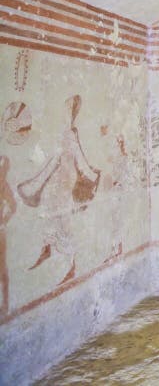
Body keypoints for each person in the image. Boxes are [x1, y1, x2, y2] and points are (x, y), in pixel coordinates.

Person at [18, 95, 100, 285]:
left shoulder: (71, 133)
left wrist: (91, 176)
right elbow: (54, 158)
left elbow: (78, 157)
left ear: (72, 111)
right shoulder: (64, 132)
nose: (65, 112)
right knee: (47, 208)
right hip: (57, 177)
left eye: (68, 108)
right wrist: (37, 180)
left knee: (63, 219)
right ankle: (47, 248)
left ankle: (72, 265)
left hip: (66, 179)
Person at [0, 155, 16, 316]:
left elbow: (13, 206)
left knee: (2, 268)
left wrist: (4, 220)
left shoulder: (3, 185)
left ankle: (5, 304)